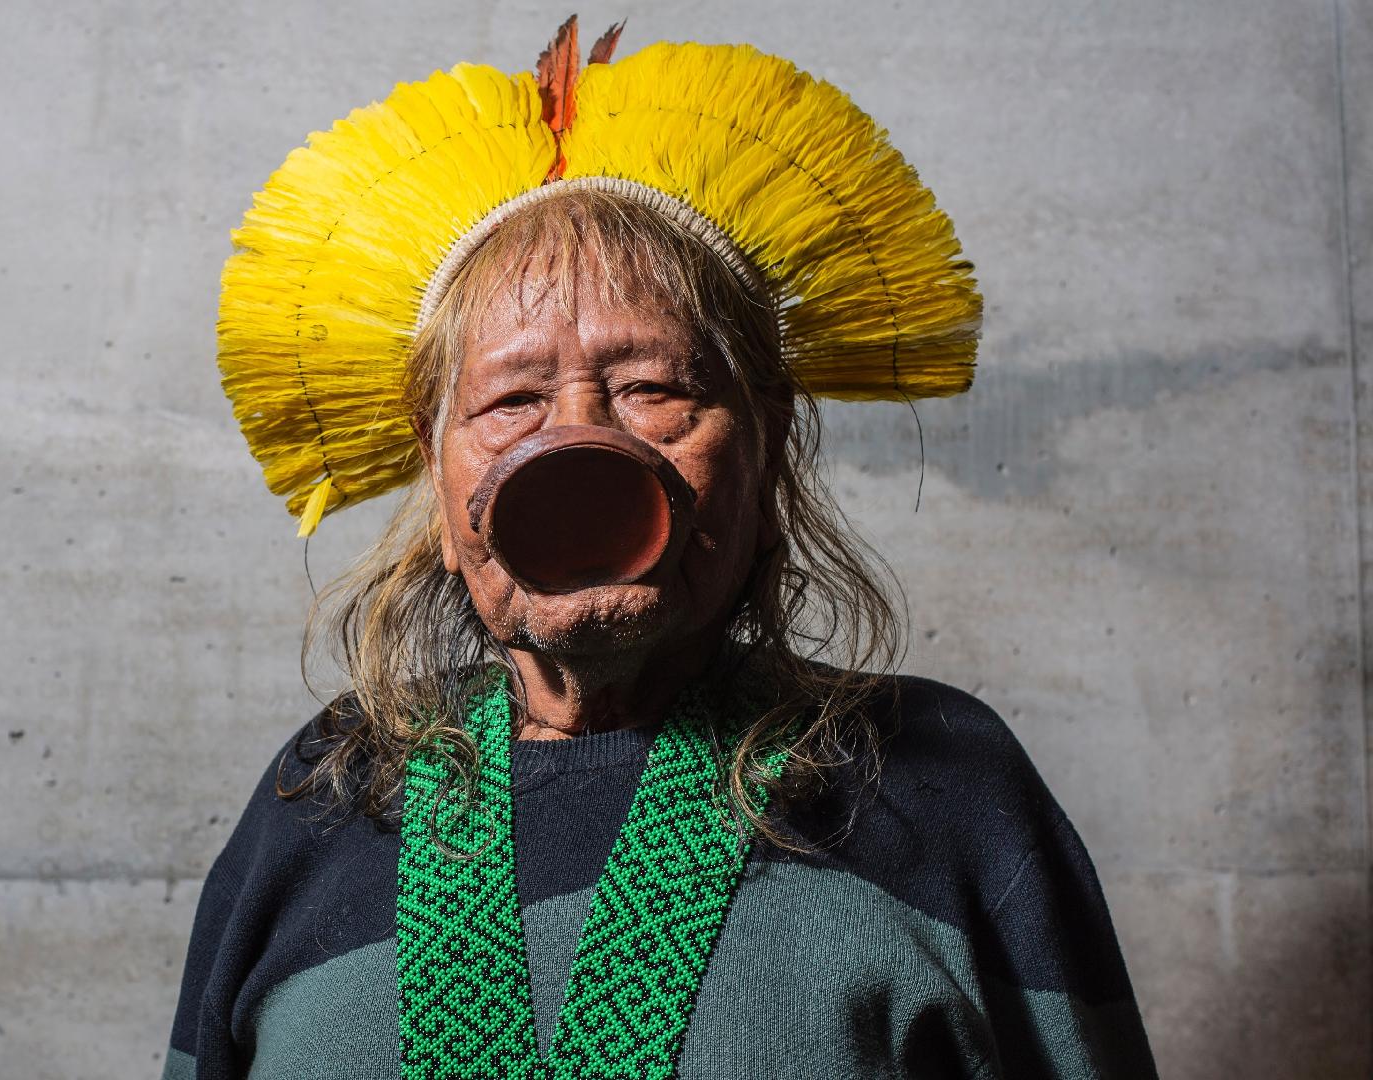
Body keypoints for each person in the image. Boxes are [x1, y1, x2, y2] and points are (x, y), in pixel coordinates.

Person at [163, 19, 1157, 1079]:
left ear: (765, 448)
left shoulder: (944, 783)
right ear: (439, 475)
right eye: (511, 400)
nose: (580, 450)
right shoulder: (323, 795)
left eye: (654, 389)